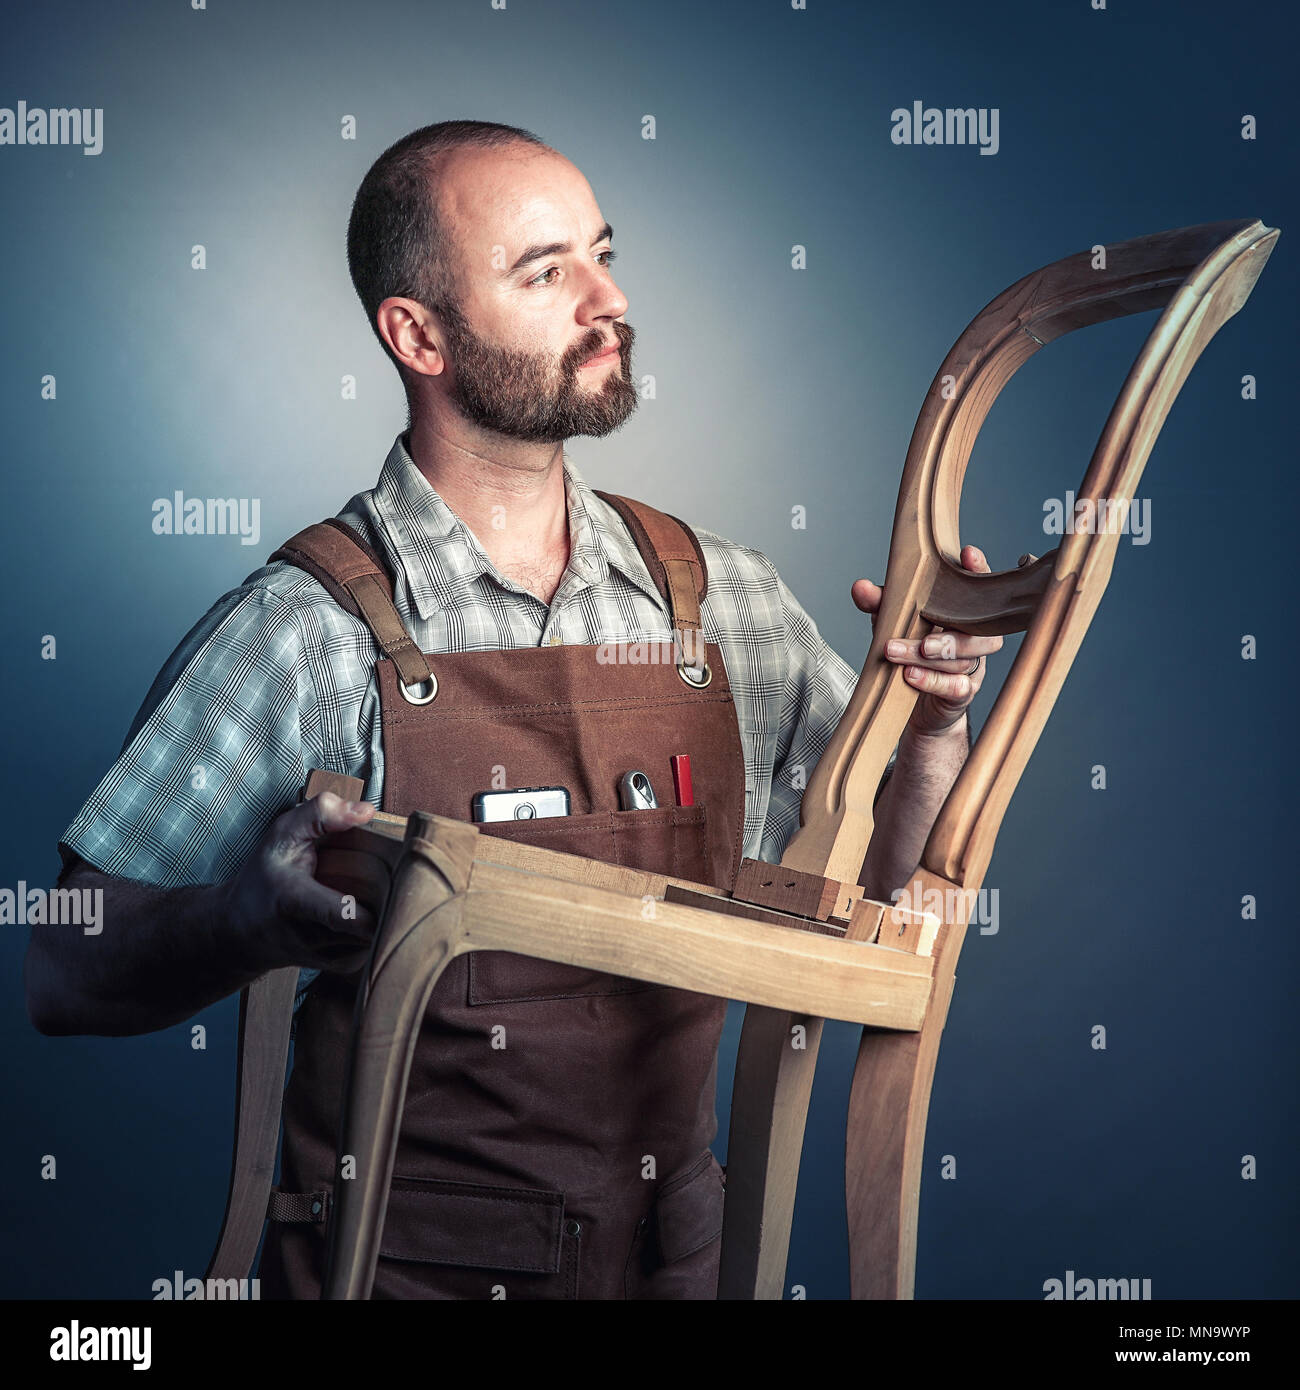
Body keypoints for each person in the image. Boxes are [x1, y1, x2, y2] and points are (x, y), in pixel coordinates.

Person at [25, 120, 1001, 1299]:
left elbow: (879, 908)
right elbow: (60, 970)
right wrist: (243, 917)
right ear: (418, 334)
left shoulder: (721, 601)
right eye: (545, 273)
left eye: (601, 251)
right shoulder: (310, 628)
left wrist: (933, 725)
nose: (609, 297)